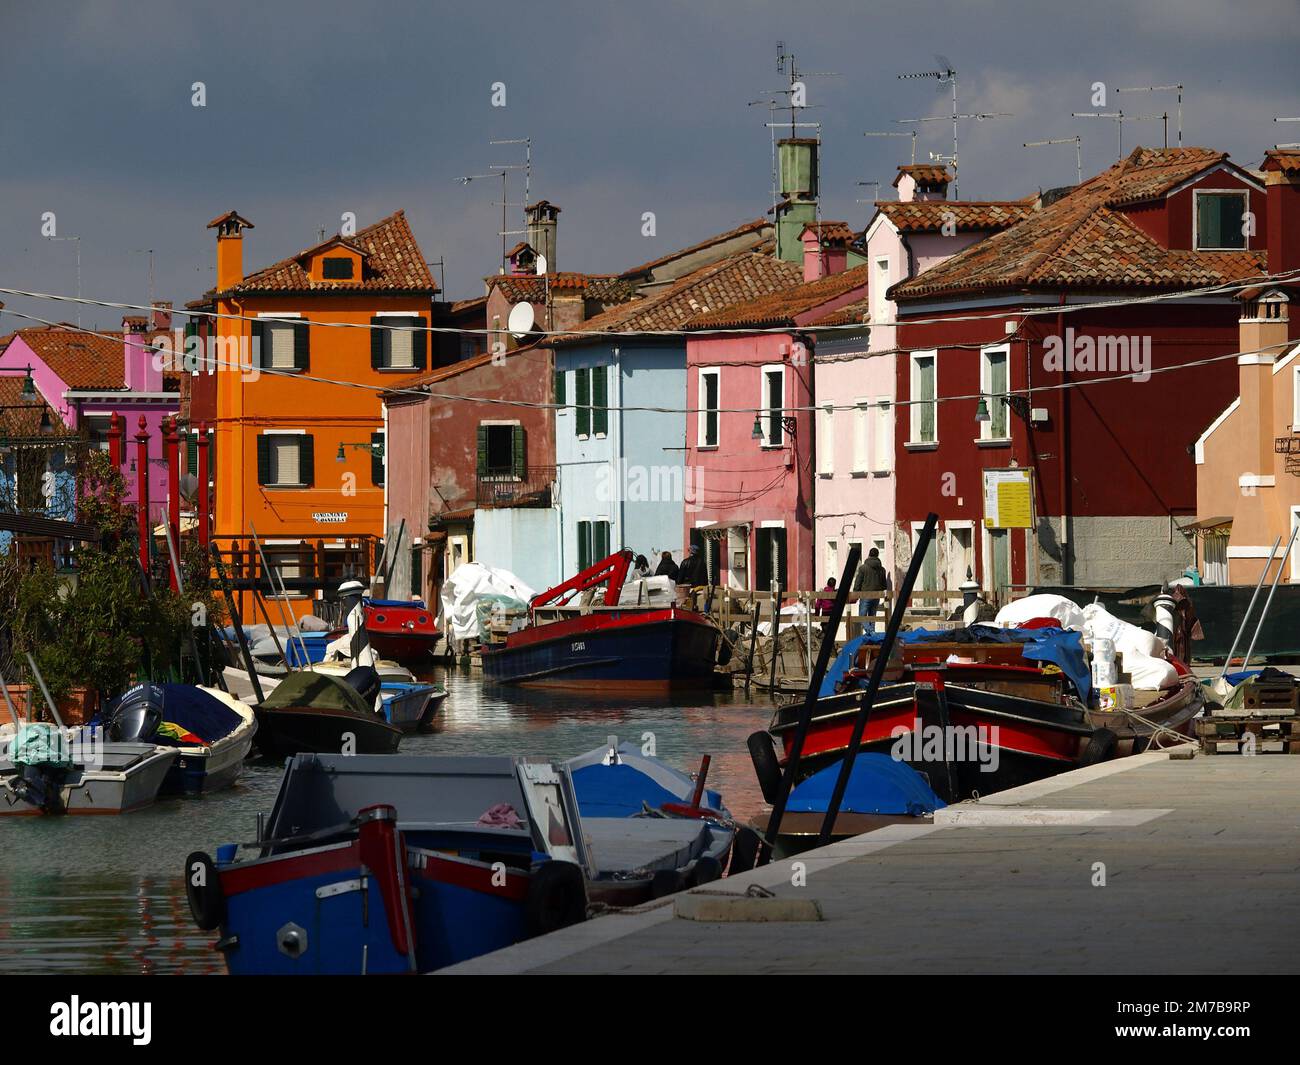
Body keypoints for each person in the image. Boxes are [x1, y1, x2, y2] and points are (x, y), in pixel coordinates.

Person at [853, 548, 887, 620]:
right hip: (877, 594)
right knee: (872, 616)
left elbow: (858, 581)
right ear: (877, 555)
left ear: (869, 555)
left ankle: (870, 631)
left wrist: (855, 592)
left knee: (862, 616)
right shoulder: (882, 569)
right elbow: (884, 584)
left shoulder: (863, 568)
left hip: (865, 594)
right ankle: (871, 631)